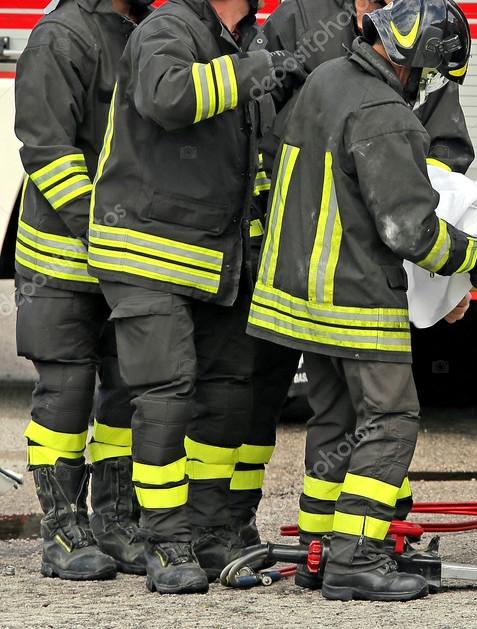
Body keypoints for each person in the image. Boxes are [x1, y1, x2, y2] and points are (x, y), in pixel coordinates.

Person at [229, 0, 477, 568]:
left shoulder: (326, 80)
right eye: (431, 74)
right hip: (357, 296)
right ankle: (357, 558)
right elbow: (411, 229)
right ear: (412, 62)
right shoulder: (385, 113)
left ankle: (318, 546)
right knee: (389, 420)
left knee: (335, 419)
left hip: (301, 299)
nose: (429, 87)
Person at [88, 0, 305, 593]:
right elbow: (168, 97)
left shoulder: (247, 41)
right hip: (147, 253)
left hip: (219, 260)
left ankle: (210, 533)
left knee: (230, 394)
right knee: (166, 394)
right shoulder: (167, 31)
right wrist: (253, 71)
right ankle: (164, 540)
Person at [14, 0, 152, 581]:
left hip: (127, 258)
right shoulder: (60, 37)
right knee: (66, 392)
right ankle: (61, 531)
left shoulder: (143, 30)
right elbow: (48, 153)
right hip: (62, 262)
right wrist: (103, 231)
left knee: (126, 390)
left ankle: (116, 522)